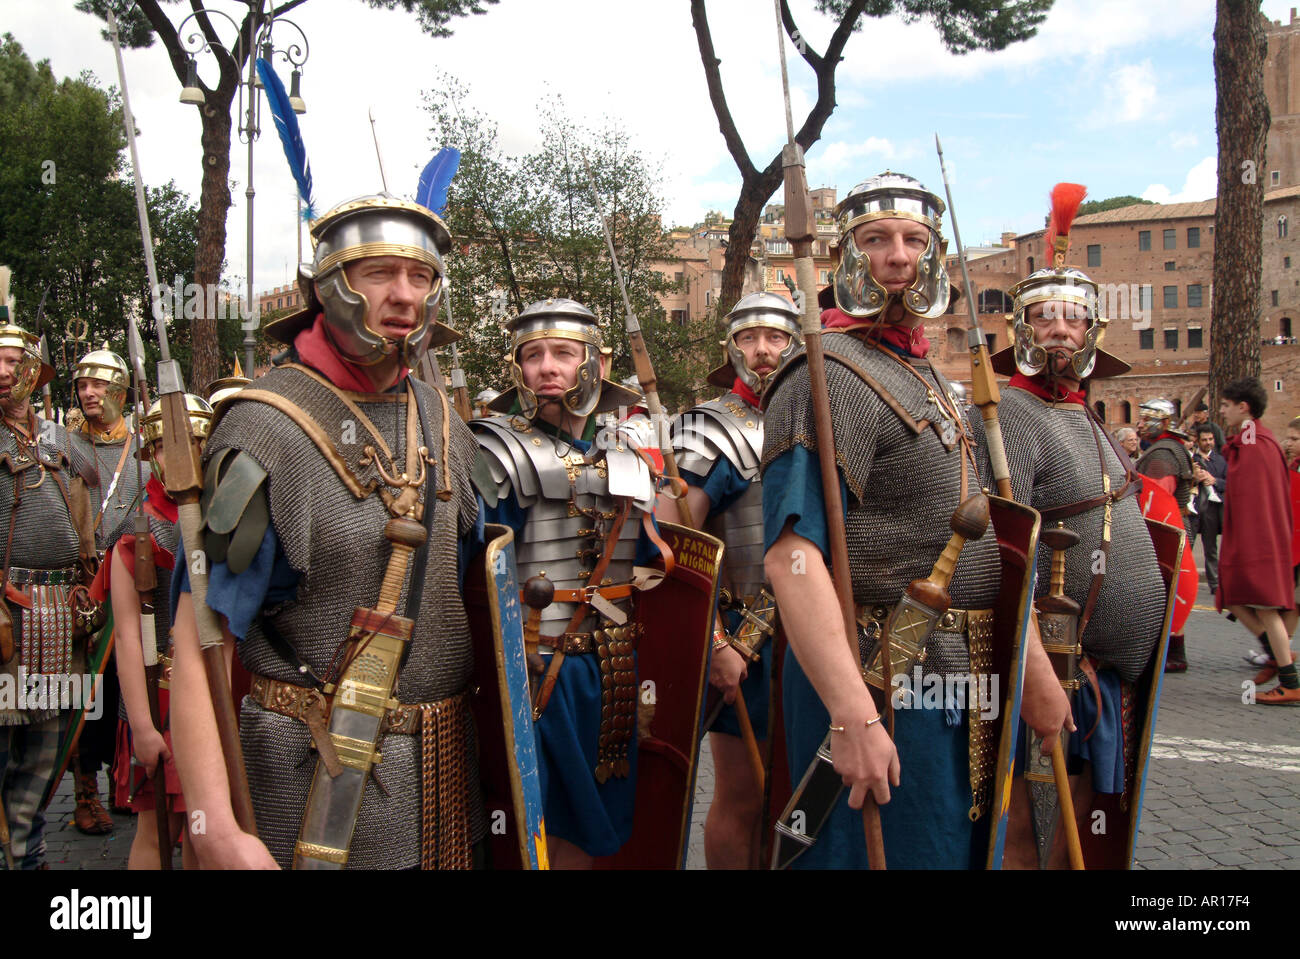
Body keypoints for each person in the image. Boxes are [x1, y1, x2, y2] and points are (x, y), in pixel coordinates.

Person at [760, 172, 1069, 869]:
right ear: (846, 256)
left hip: (961, 678)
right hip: (878, 677)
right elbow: (791, 558)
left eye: (914, 240)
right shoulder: (825, 371)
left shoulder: (935, 381)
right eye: (876, 240)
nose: (898, 256)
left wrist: (1035, 672)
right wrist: (853, 716)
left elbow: (989, 543)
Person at [169, 194, 487, 869]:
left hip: (446, 778)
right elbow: (196, 639)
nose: (403, 294)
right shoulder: (266, 429)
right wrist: (213, 826)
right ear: (328, 288)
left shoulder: (446, 421)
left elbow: (483, 596)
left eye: (420, 276)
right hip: (313, 778)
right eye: (377, 273)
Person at [985, 188, 1170, 868]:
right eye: (1044, 317)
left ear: (1091, 330)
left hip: (1103, 674)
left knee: (1078, 821)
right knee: (1030, 824)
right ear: (1022, 332)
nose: (1059, 329)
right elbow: (1002, 549)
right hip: (1055, 663)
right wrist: (1039, 658)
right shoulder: (1013, 414)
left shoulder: (1086, 415)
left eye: (1072, 318)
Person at [471, 298, 658, 869]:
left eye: (563, 354)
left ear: (593, 366)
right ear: (517, 370)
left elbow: (658, 567)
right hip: (532, 669)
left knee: (593, 824)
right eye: (533, 356)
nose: (547, 367)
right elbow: (472, 578)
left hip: (611, 668)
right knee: (532, 825)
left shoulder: (625, 458)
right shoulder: (497, 453)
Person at [661, 291, 801, 868]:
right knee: (747, 798)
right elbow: (672, 543)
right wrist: (717, 641)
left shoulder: (818, 419)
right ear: (732, 348)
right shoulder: (711, 428)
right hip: (751, 640)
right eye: (749, 338)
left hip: (826, 635)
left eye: (777, 338)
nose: (763, 351)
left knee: (801, 800)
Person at [94, 395, 212, 869]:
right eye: (165, 446)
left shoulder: (221, 517)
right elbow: (125, 635)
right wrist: (142, 726)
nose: (180, 456)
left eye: (194, 443)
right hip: (158, 694)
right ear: (152, 453)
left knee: (208, 828)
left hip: (214, 691)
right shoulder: (138, 528)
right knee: (159, 828)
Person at [0, 304, 96, 870]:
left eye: (14, 360)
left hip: (58, 616)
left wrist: (89, 584)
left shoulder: (62, 441)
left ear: (34, 369)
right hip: (5, 618)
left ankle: (27, 856)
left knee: (42, 756)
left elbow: (84, 523)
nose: (5, 370)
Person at [67, 348, 140, 835]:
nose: (88, 393)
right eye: (81, 386)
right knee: (86, 692)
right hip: (83, 586)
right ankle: (84, 790)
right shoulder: (63, 447)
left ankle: (127, 780)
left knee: (131, 687)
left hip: (134, 586)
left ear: (119, 391)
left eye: (97, 385)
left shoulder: (143, 447)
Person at [1216, 378, 1298, 704]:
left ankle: (1289, 678)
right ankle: (1277, 656)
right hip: (1260, 540)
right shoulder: (1253, 440)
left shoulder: (1254, 442)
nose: (1222, 411)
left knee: (1265, 608)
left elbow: (1254, 502)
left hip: (1259, 543)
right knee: (1233, 596)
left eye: (1225, 405)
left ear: (1243, 407)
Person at [1135, 398, 1196, 672]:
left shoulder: (1163, 455)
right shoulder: (1168, 448)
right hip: (1174, 529)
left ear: (1163, 422)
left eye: (1146, 418)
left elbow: (1159, 496)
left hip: (1167, 531)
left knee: (1164, 592)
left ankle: (1168, 653)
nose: (1139, 424)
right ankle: (1174, 653)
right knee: (1168, 591)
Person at [1190, 425, 1227, 594]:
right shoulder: (1192, 459)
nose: (1208, 443)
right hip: (1195, 510)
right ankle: (1186, 582)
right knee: (1188, 548)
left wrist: (1215, 481)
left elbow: (1230, 483)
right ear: (1198, 441)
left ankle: (1215, 584)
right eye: (1204, 440)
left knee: (1211, 547)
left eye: (1210, 439)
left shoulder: (1220, 460)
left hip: (1214, 509)